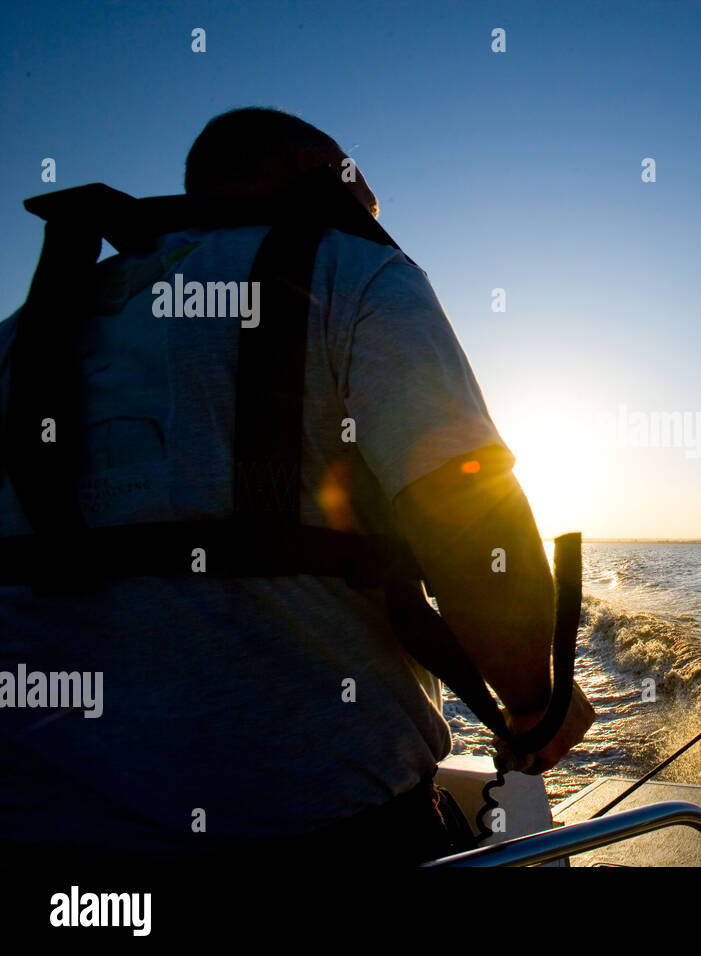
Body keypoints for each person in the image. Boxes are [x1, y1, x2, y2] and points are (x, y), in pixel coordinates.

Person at [0, 107, 593, 865]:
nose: (372, 213)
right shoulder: (356, 271)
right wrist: (533, 702)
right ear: (323, 166)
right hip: (319, 830)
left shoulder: (24, 332)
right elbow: (474, 523)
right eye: (367, 192)